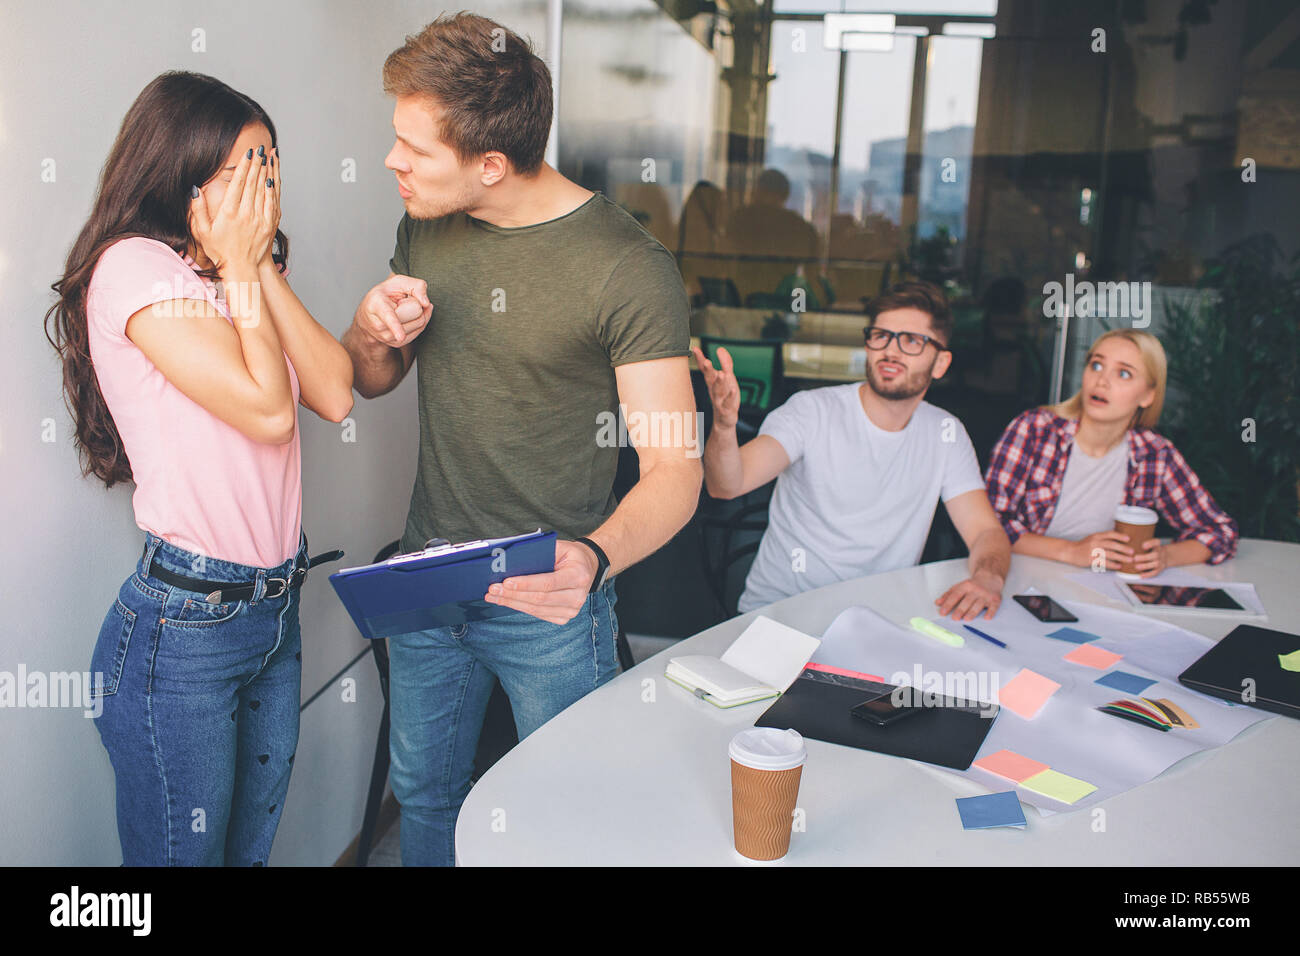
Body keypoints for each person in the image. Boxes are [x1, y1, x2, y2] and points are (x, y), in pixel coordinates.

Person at [340, 13, 702, 867]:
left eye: (413, 149)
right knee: (426, 799)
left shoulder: (626, 268)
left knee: (565, 816)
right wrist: (367, 327)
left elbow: (675, 472)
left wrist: (593, 558)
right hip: (429, 579)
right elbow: (373, 377)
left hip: (551, 598)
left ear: (491, 166)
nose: (393, 161)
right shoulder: (427, 221)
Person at [45, 71, 354, 865]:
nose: (267, 186)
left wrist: (253, 269)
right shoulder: (135, 270)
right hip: (186, 629)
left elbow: (333, 392)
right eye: (244, 169)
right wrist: (243, 268)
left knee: (245, 857)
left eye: (272, 166)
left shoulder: (234, 274)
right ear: (183, 172)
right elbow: (267, 409)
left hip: (272, 611)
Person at [696, 280, 1011, 620]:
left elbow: (985, 531)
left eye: (911, 341)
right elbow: (726, 485)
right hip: (783, 614)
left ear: (940, 364)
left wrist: (988, 577)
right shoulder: (811, 411)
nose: (891, 351)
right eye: (881, 336)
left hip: (876, 620)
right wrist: (724, 428)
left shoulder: (945, 433)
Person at [985, 328, 1237, 574]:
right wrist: (1071, 552)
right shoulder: (1034, 429)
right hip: (1021, 580)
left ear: (1148, 395)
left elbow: (1219, 531)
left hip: (1105, 593)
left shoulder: (1154, 453)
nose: (1102, 381)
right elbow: (987, 525)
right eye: (1096, 365)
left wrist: (1166, 556)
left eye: (1124, 374)